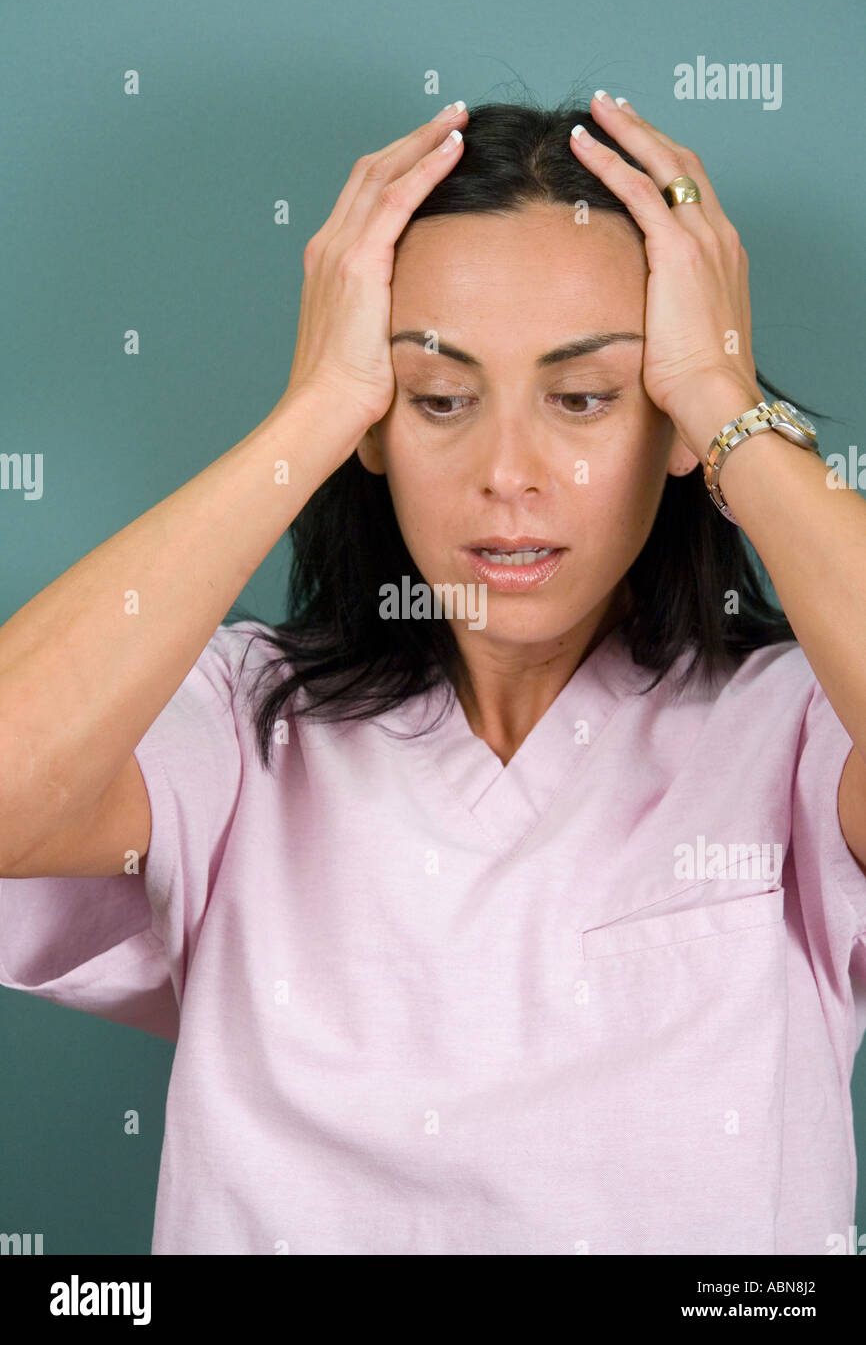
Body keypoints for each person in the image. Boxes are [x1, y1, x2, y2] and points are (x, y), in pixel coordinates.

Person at [1, 93, 865, 1256]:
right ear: (374, 421)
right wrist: (309, 411)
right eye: (439, 398)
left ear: (662, 420)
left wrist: (719, 399)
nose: (507, 471)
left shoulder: (798, 726)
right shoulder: (241, 729)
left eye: (585, 397)